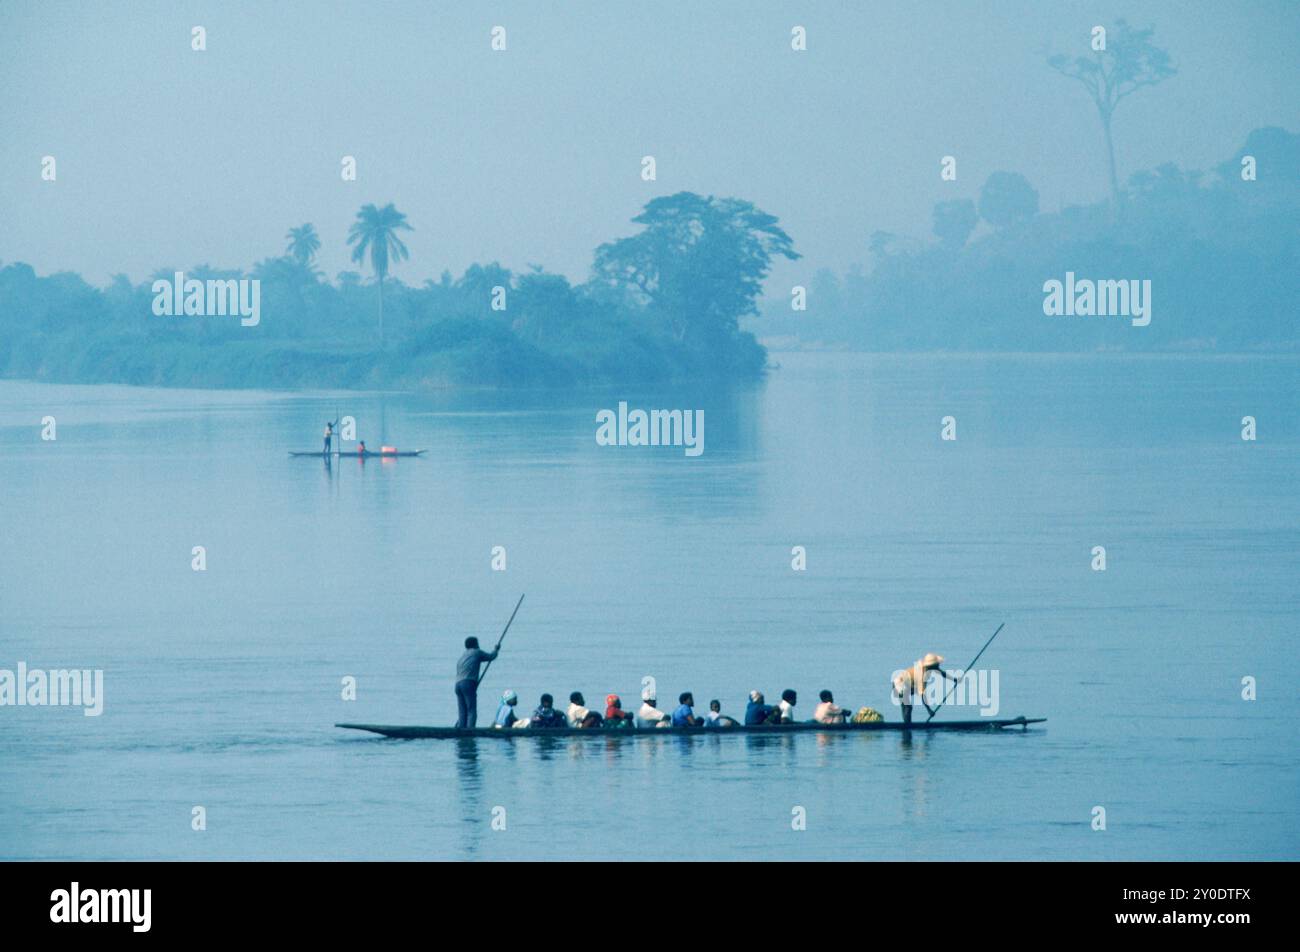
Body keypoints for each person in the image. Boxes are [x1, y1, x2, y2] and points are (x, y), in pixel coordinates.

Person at [892, 652, 961, 724]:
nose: (938, 665)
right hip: (899, 685)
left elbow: (942, 673)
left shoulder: (930, 668)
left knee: (907, 706)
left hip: (907, 684)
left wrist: (954, 679)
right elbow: (923, 695)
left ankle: (907, 725)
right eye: (937, 664)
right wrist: (929, 710)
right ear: (932, 665)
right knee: (907, 707)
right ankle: (907, 726)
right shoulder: (922, 675)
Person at [453, 636, 498, 729]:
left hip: (458, 685)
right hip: (468, 683)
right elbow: (491, 656)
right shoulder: (476, 652)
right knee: (471, 710)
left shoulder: (463, 656)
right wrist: (496, 649)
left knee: (462, 710)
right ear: (475, 644)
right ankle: (470, 730)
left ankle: (461, 729)